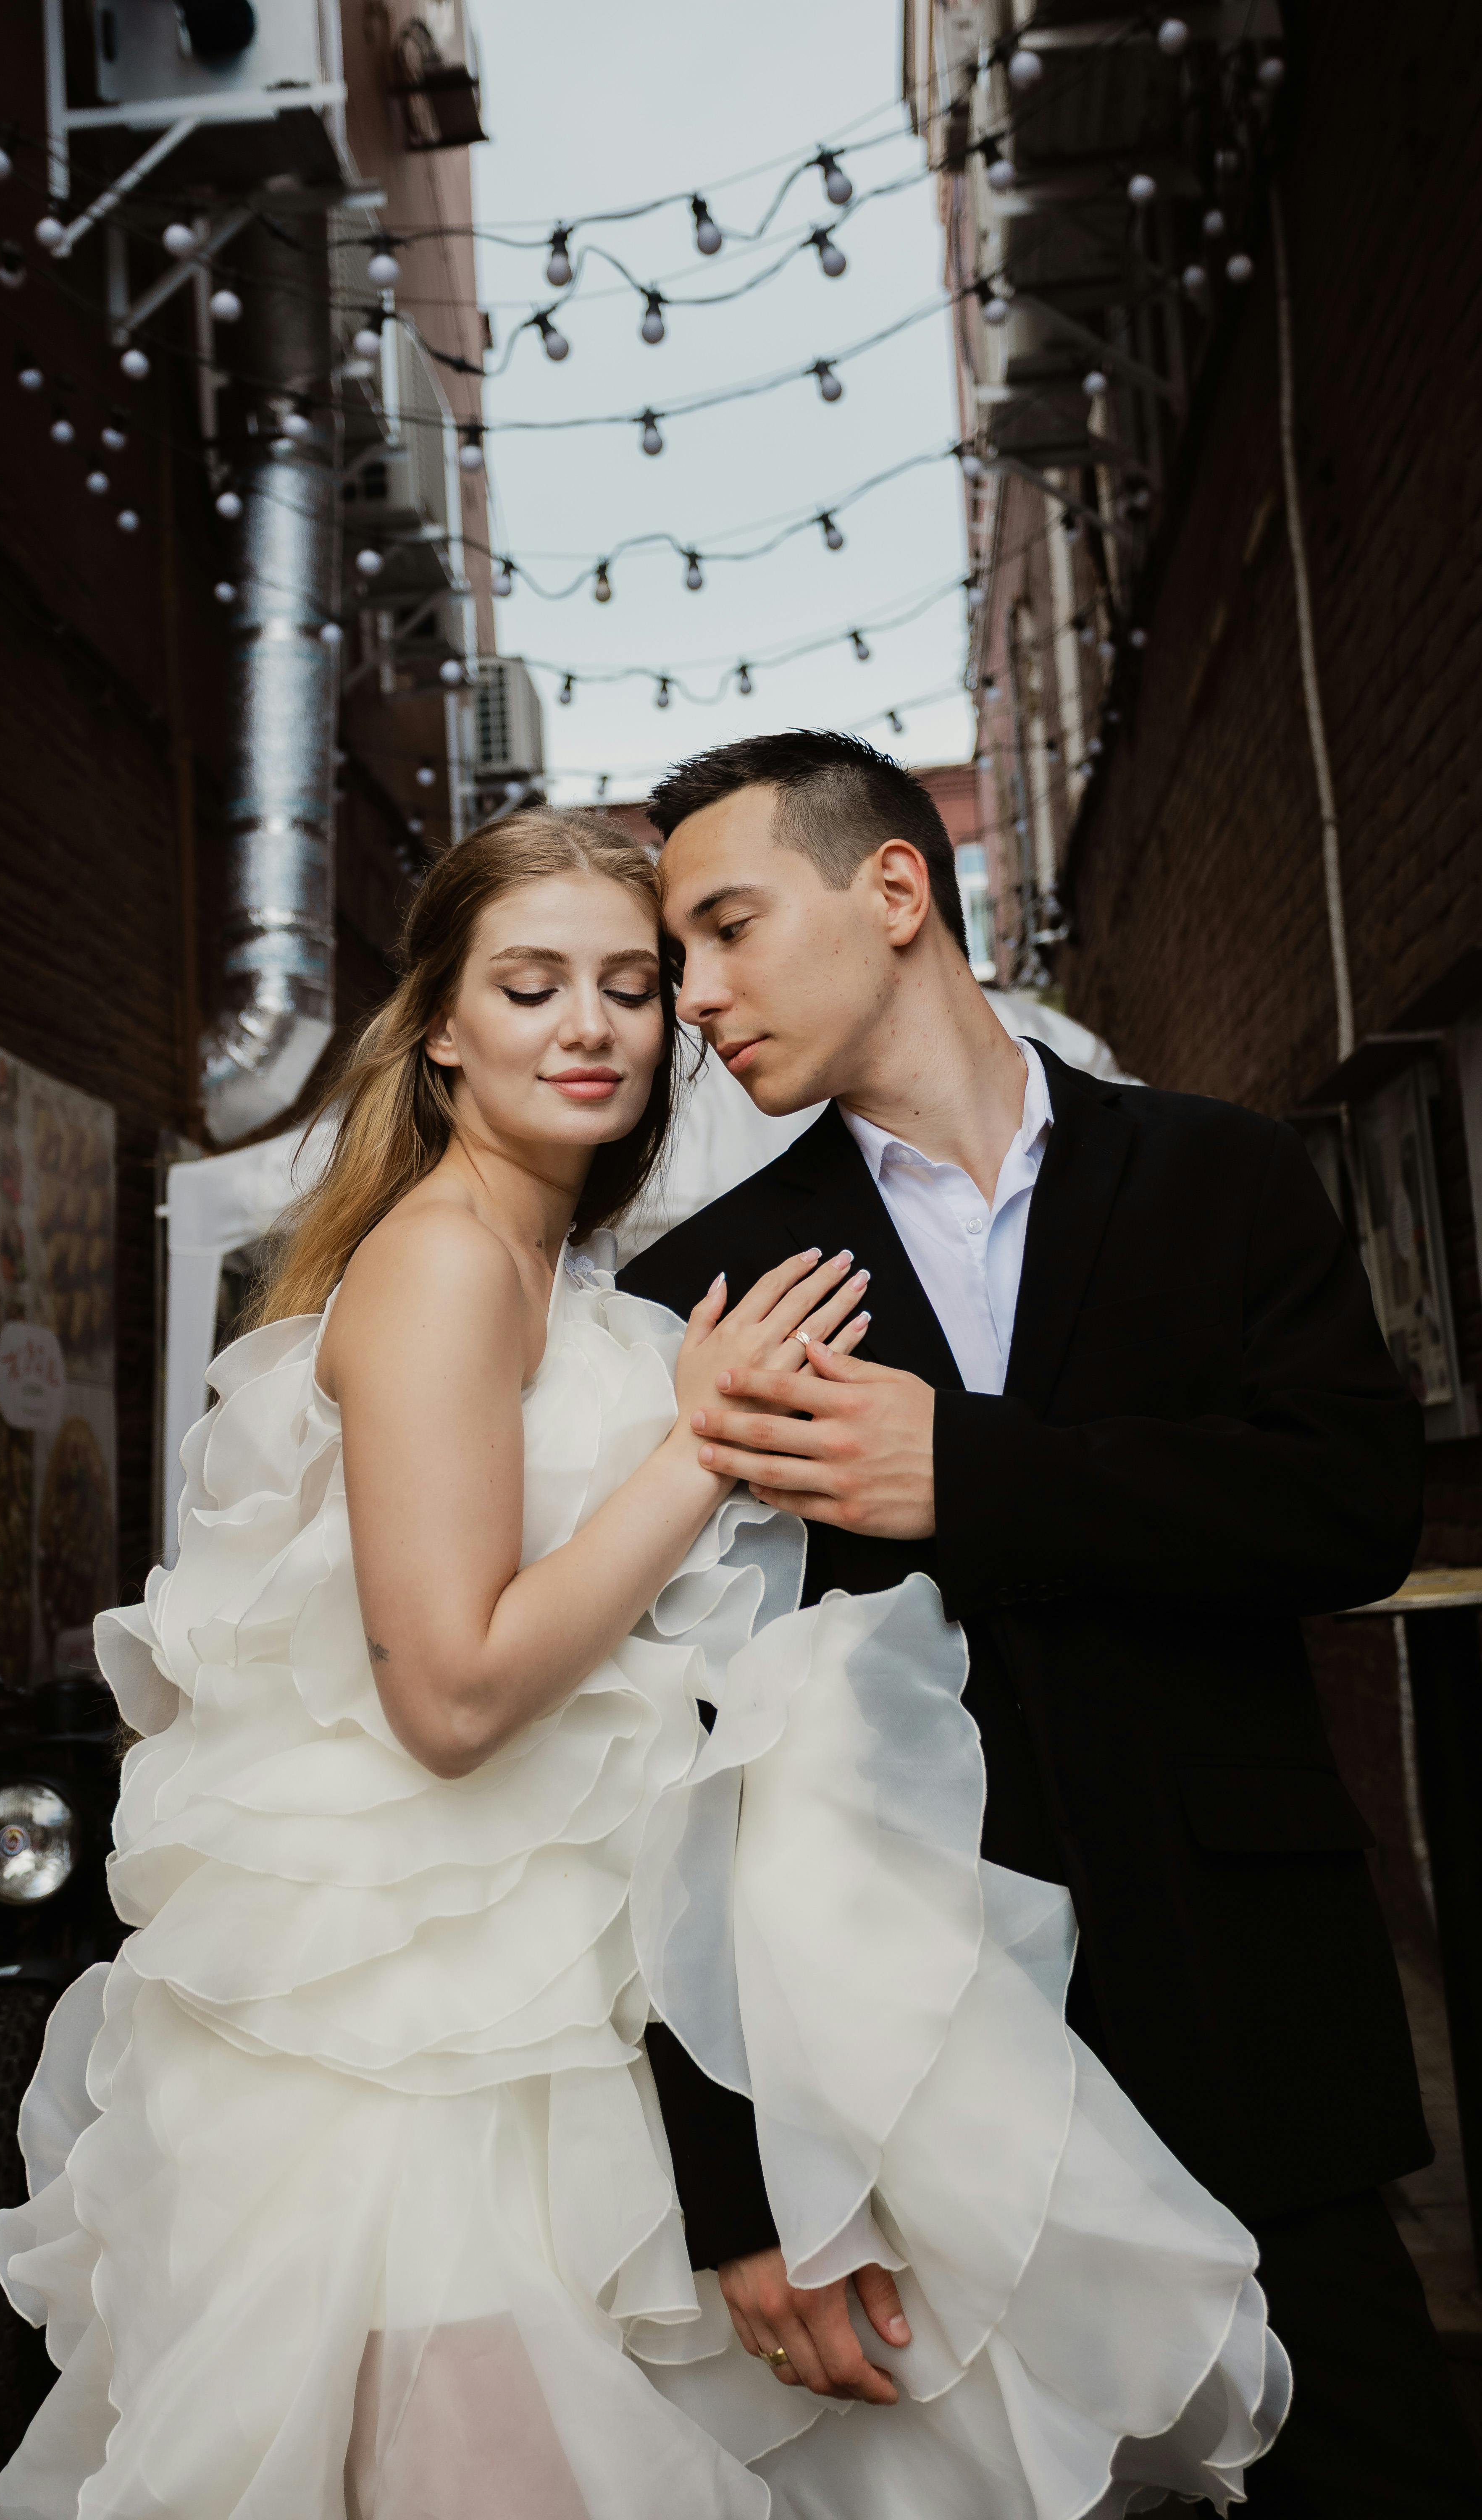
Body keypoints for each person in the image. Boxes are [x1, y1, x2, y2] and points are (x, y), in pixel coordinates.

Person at [0, 809, 1286, 2520]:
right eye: (531, 986)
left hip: (578, 1977)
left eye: (628, 988)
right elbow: (447, 1697)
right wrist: (701, 1449)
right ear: (440, 1025)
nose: (591, 1026)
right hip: (432, 2035)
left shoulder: (563, 1268)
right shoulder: (448, 1267)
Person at [618, 730, 1482, 2517]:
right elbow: (658, 1768)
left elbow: (1347, 1508)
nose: (692, 996)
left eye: (724, 927)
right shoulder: (695, 1290)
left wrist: (978, 1477)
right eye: (674, 956)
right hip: (916, 2090)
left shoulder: (1223, 1175)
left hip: (1259, 2026)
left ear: (894, 887)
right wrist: (737, 2187)